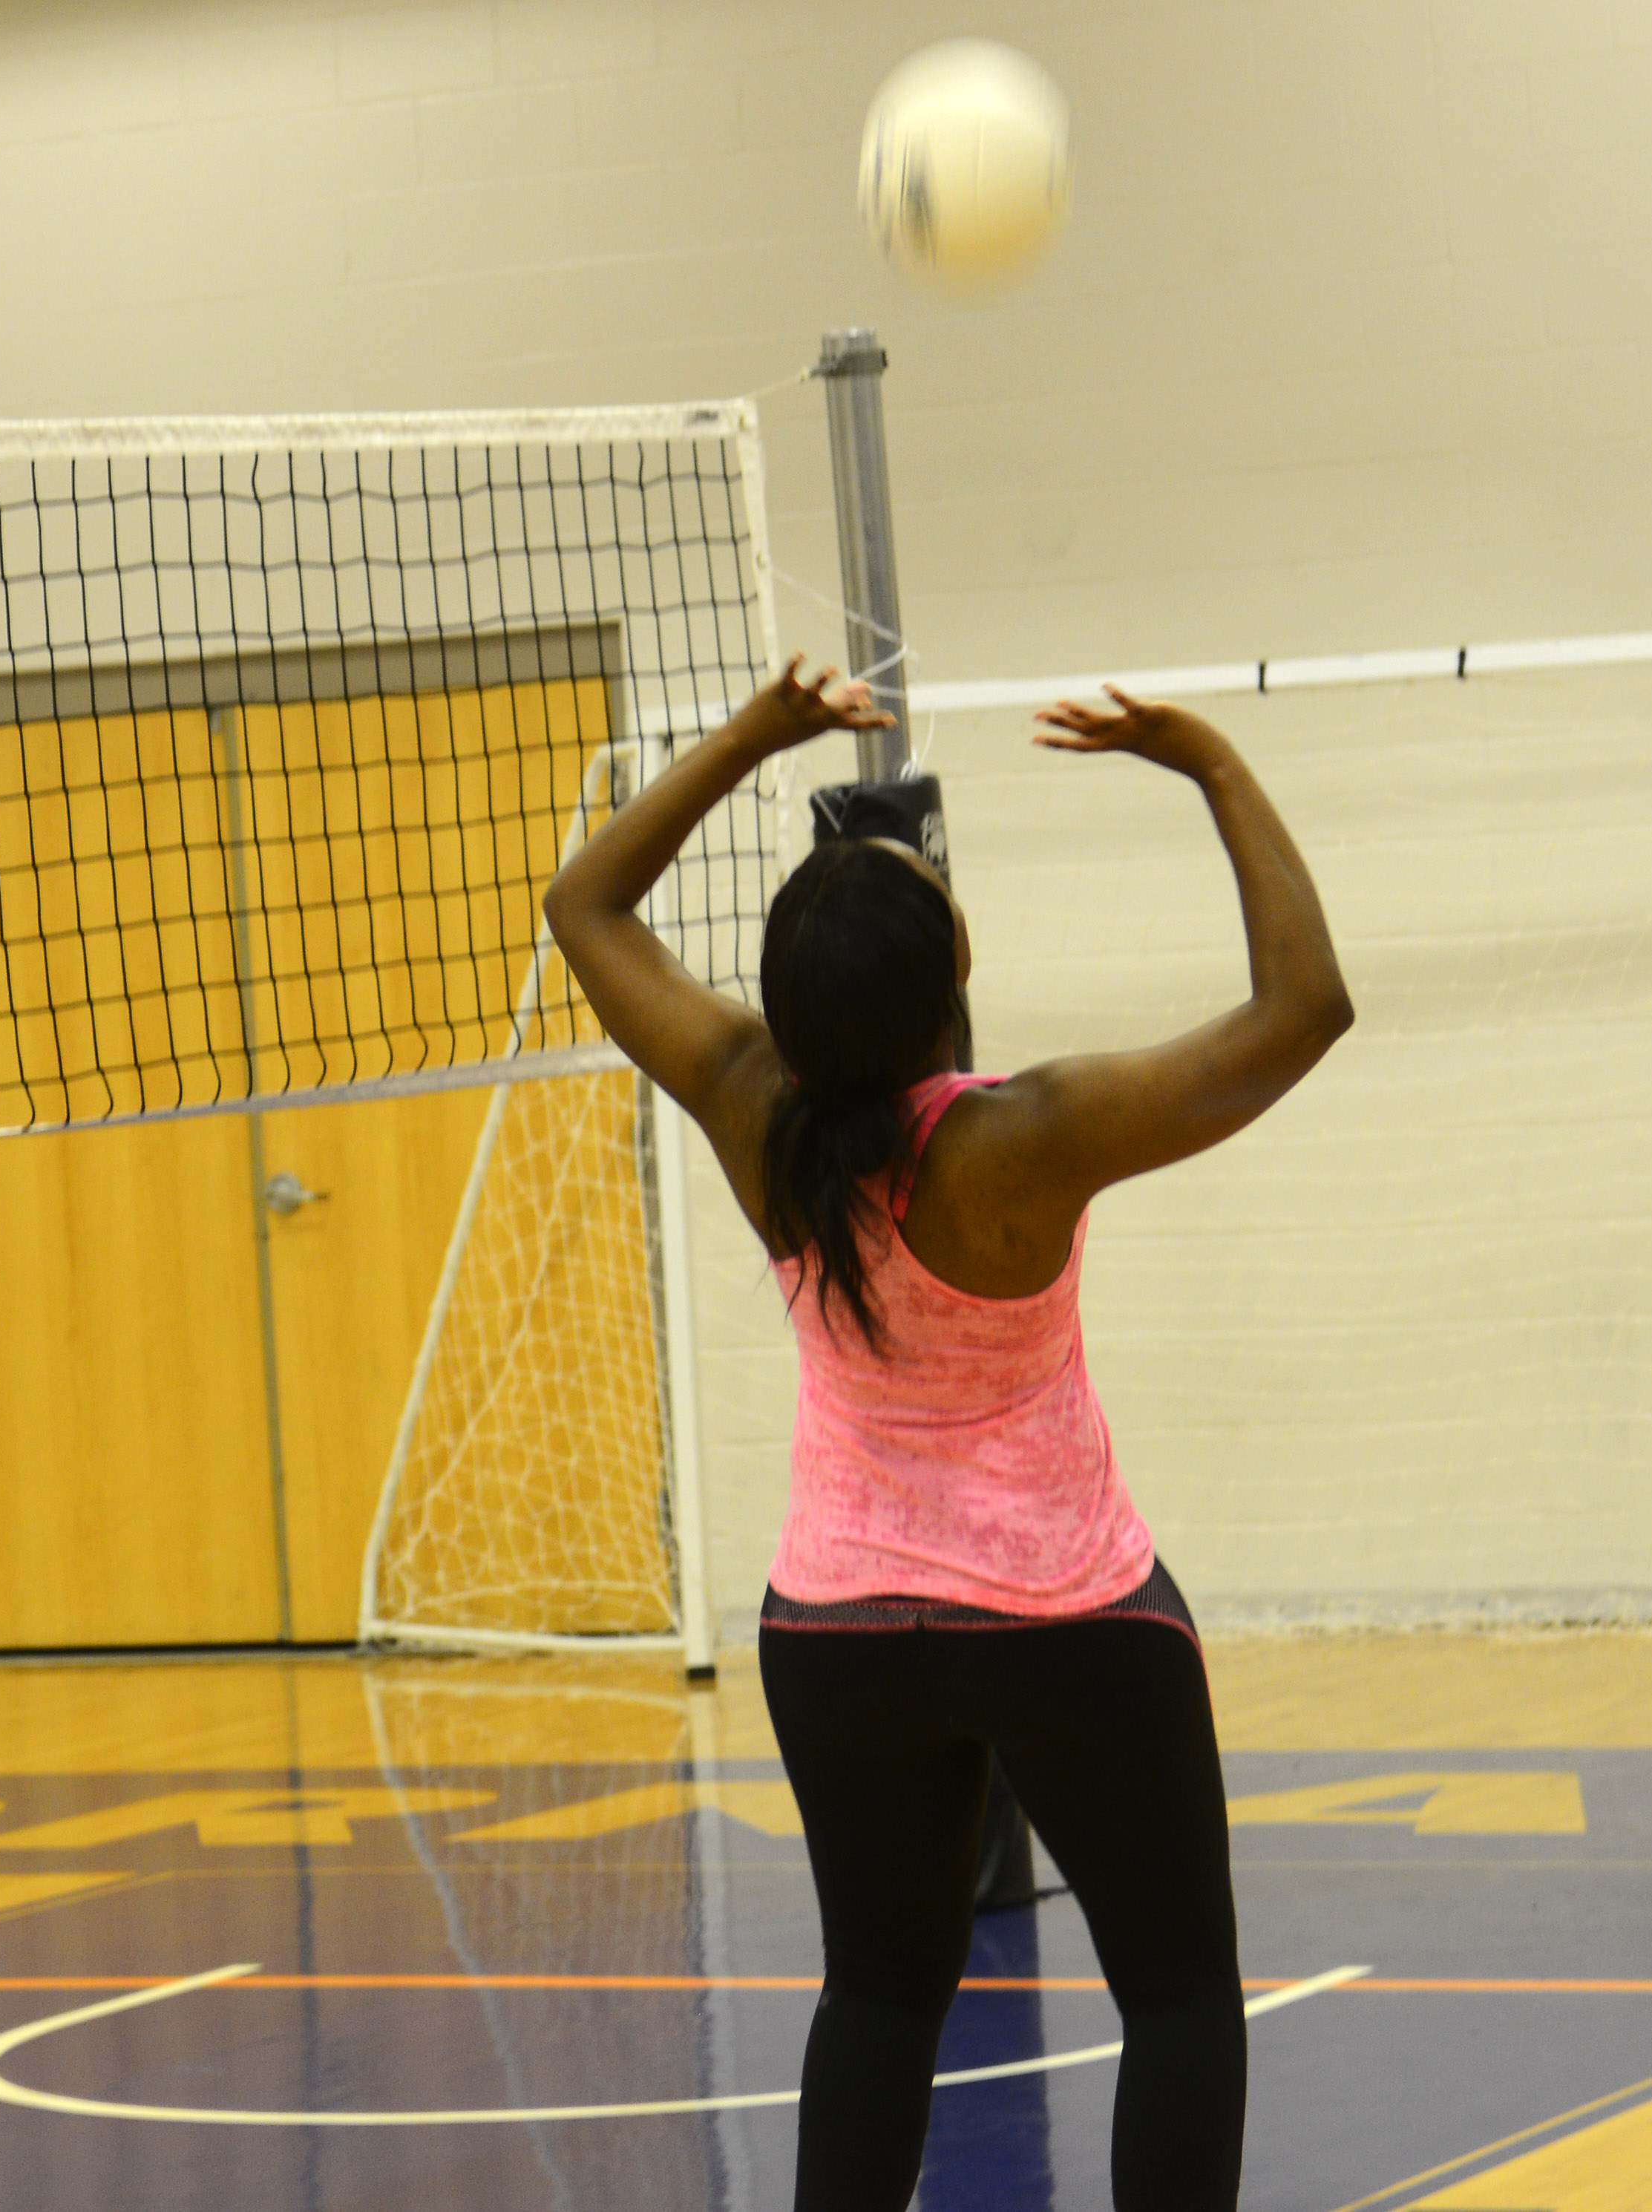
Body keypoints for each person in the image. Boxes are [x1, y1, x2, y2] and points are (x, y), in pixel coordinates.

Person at [543, 658, 1352, 2210]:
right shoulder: (1028, 1133)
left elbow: (589, 907)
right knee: (1177, 1997)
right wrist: (1210, 764)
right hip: (1068, 1612)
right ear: (952, 975)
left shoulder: (745, 1100)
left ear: (782, 998)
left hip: (840, 1626)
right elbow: (1302, 1006)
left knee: (881, 1995)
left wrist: (753, 736)